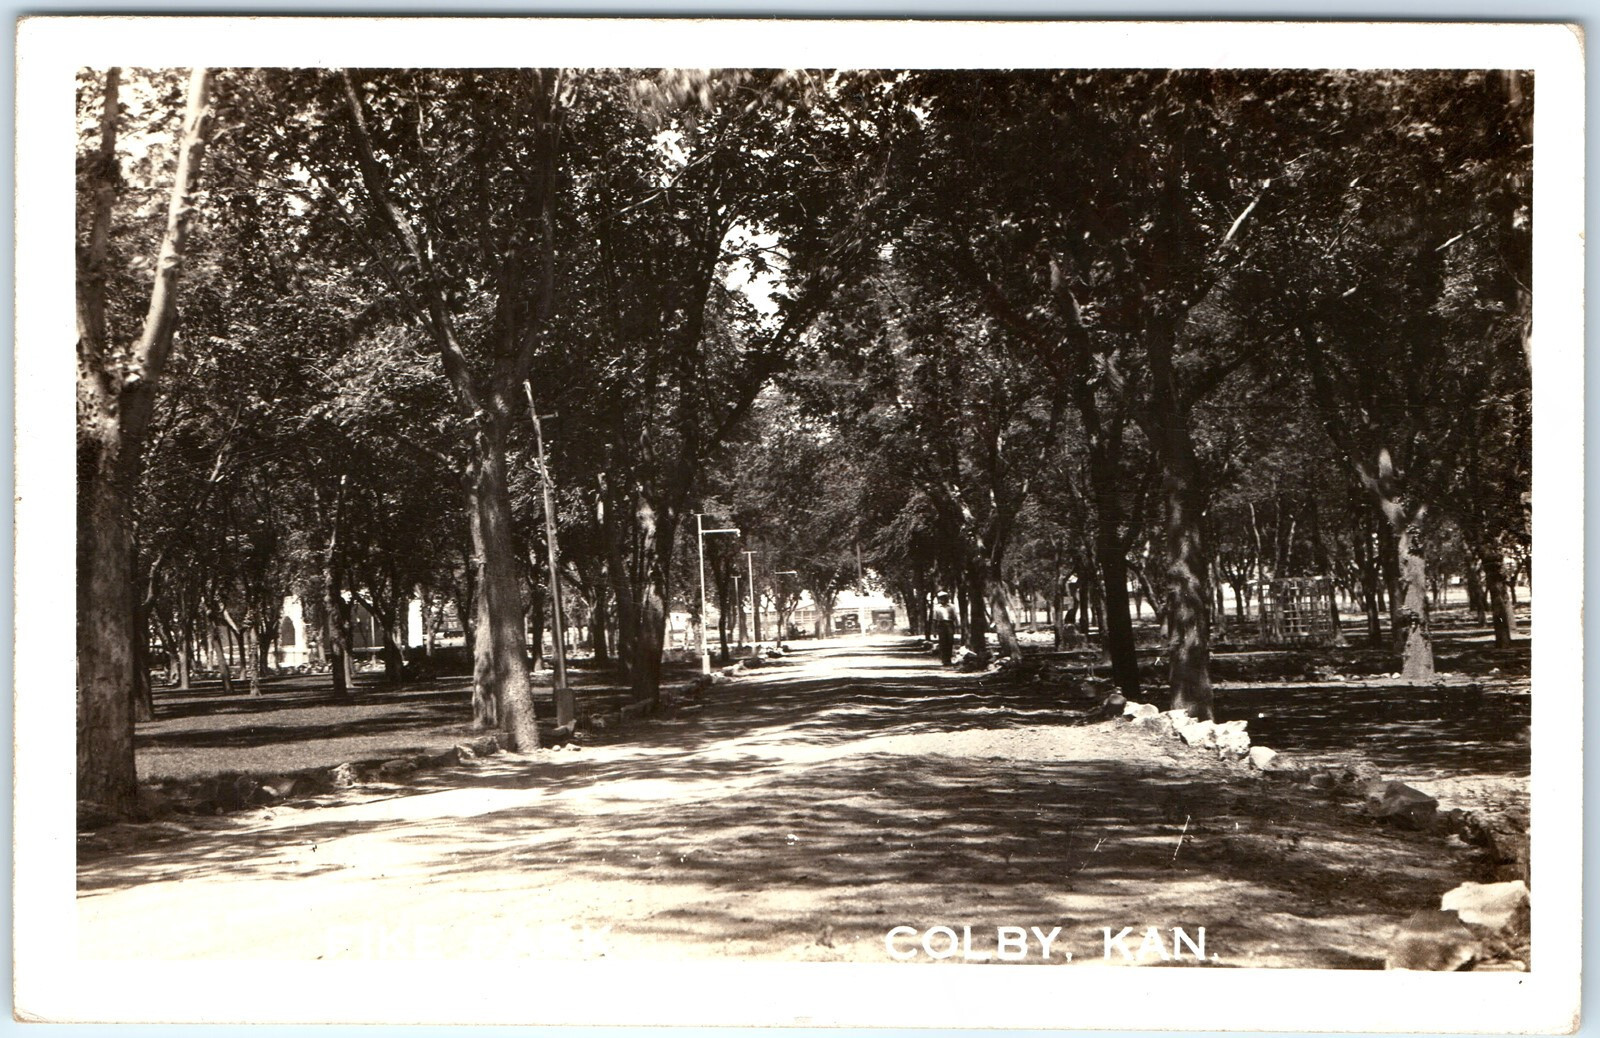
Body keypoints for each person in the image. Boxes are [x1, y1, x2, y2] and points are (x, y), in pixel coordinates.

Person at [931, 592, 957, 665]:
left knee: (950, 641)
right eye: (941, 598)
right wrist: (934, 631)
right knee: (942, 642)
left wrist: (956, 626)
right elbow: (934, 620)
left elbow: (954, 617)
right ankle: (944, 660)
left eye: (944, 597)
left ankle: (949, 659)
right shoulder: (937, 608)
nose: (943, 599)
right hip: (941, 625)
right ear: (939, 599)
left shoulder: (951, 606)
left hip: (949, 624)